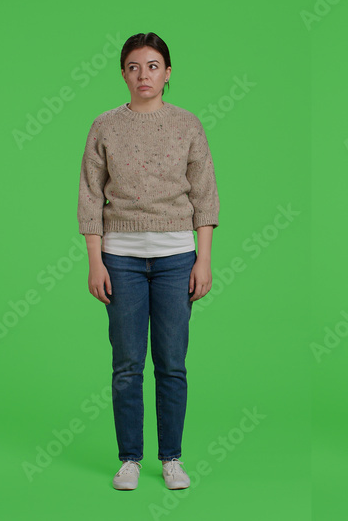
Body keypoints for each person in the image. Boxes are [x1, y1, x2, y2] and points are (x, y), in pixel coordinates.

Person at [78, 32, 220, 491]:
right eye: (135, 66)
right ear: (123, 73)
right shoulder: (103, 126)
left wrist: (204, 259)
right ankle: (130, 459)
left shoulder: (188, 125)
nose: (144, 74)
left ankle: (172, 458)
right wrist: (95, 261)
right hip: (120, 258)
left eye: (154, 65)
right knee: (126, 362)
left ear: (168, 73)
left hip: (178, 256)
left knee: (172, 362)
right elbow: (89, 196)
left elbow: (204, 195)